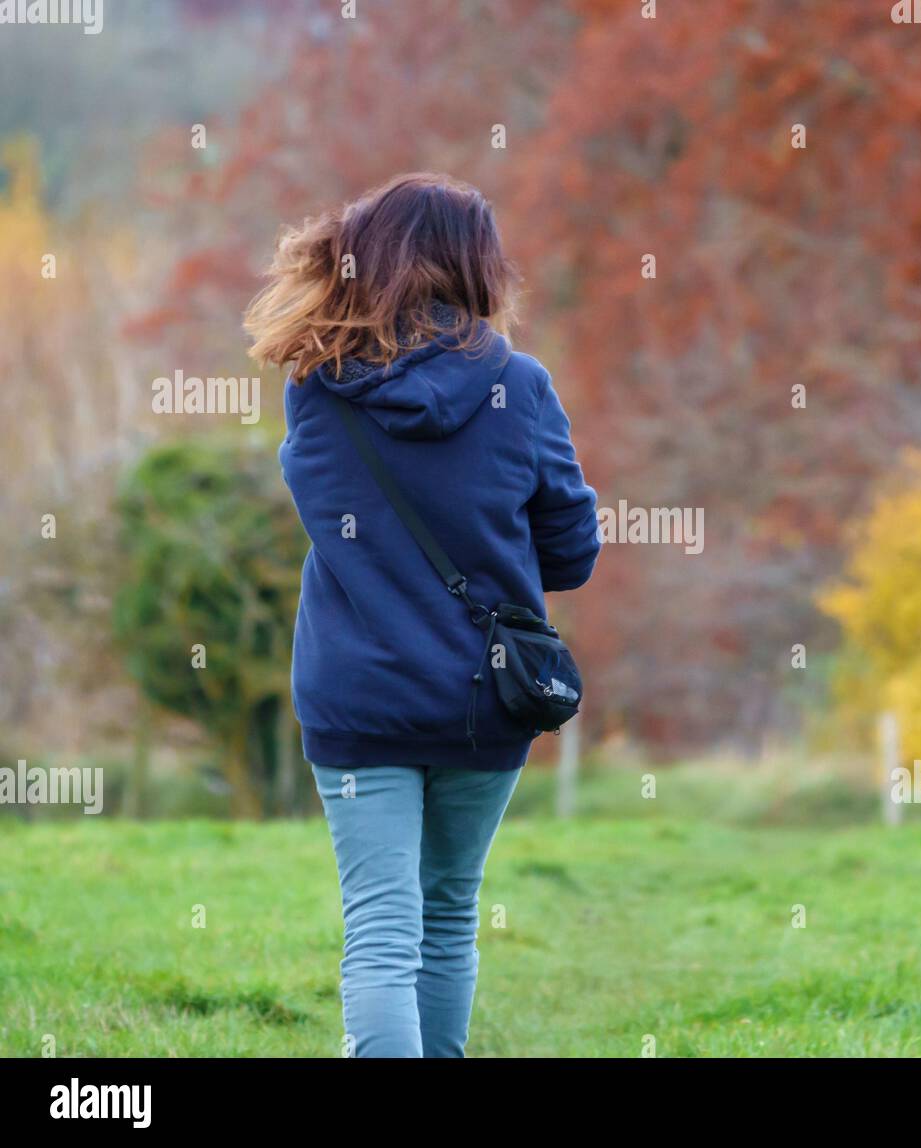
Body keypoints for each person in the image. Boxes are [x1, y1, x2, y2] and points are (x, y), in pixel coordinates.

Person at [244, 173, 601, 1057]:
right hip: (486, 700)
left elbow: (336, 523)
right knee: (447, 916)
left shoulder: (316, 387)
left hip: (356, 697)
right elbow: (574, 554)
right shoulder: (521, 387)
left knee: (380, 928)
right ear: (476, 267)